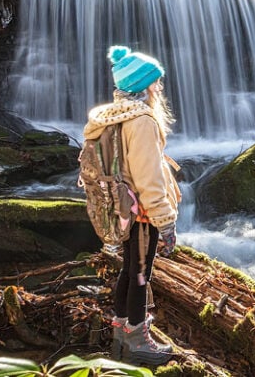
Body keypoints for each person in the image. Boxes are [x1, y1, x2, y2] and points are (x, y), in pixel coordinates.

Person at [82, 45, 181, 366]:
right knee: (140, 274)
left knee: (129, 269)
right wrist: (165, 221)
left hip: (120, 209)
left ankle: (120, 328)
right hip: (141, 213)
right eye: (156, 82)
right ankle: (138, 340)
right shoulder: (142, 122)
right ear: (145, 85)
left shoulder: (106, 118)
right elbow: (148, 177)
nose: (159, 87)